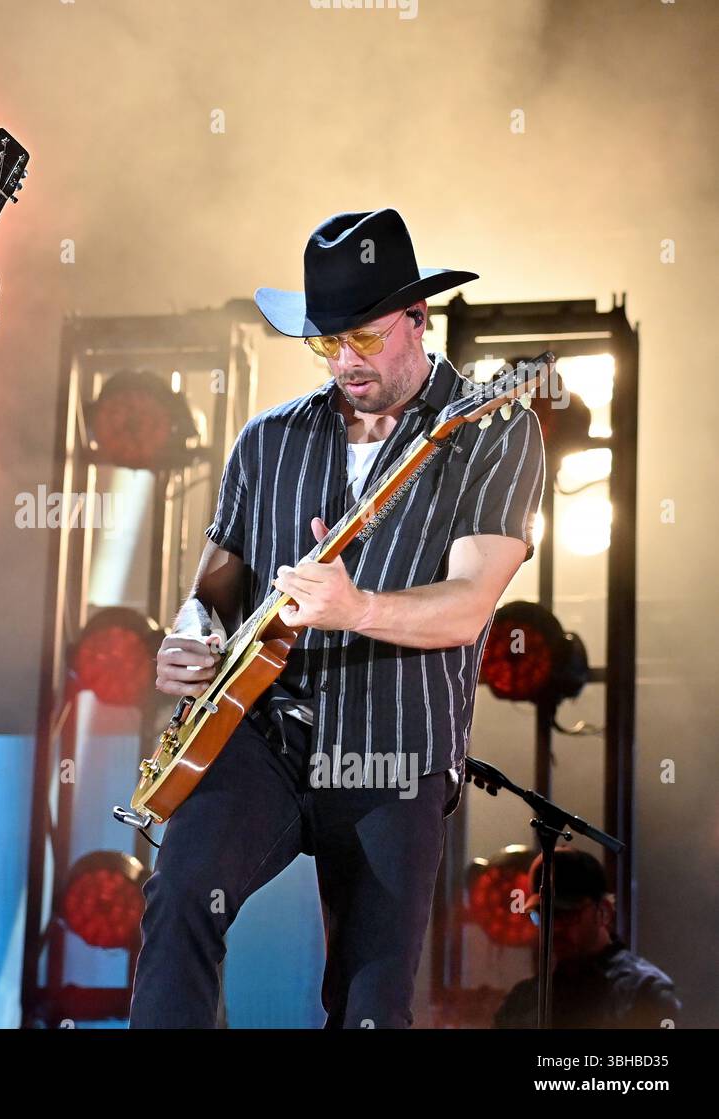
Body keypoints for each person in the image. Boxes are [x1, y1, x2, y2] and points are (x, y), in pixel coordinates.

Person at [130, 208, 545, 1028]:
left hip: (397, 751)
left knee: (369, 1002)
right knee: (179, 896)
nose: (345, 362)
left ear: (419, 319)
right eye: (326, 343)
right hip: (262, 731)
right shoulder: (267, 440)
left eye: (363, 337)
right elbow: (215, 584)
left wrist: (355, 607)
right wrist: (187, 637)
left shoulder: (494, 433)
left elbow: (467, 609)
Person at [494, 847, 680, 1029]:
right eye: (543, 916)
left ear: (603, 912)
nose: (554, 927)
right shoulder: (522, 1001)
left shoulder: (644, 993)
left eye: (567, 914)